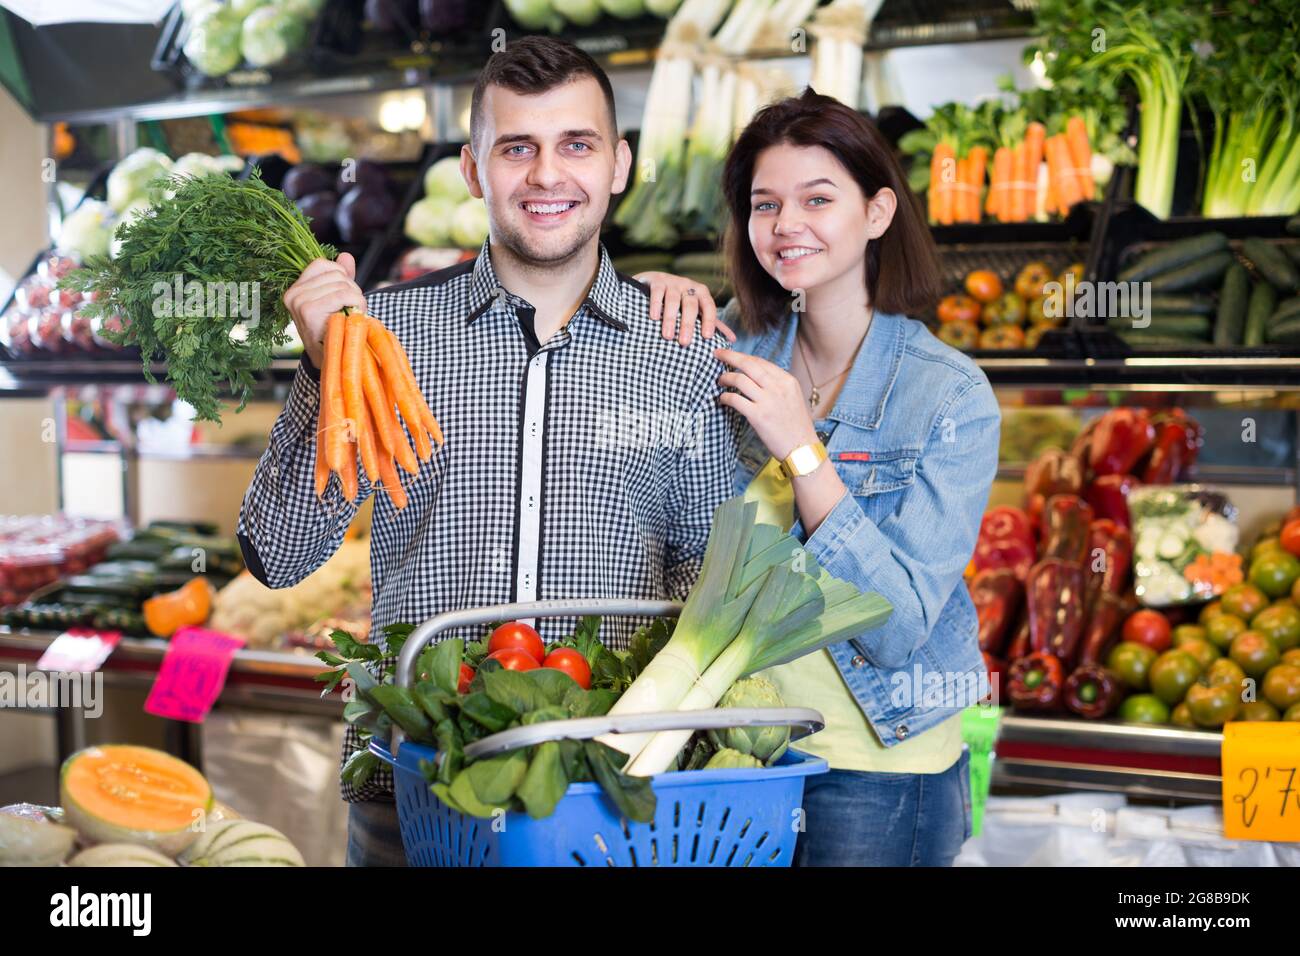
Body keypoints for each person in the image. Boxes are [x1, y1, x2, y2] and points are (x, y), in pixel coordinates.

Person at [236, 36, 736, 866]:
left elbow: (706, 576)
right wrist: (322, 370)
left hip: (607, 798)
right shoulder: (384, 337)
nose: (546, 175)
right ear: (473, 170)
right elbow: (278, 555)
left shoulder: (677, 348)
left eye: (576, 145)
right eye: (517, 148)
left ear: (619, 165)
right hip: (412, 790)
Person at [654, 89, 1000, 866]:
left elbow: (896, 626)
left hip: (876, 767)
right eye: (764, 203)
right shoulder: (736, 350)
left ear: (878, 213)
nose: (786, 225)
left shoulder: (948, 395)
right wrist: (642, 292)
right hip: (739, 750)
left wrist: (803, 451)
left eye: (818, 198)